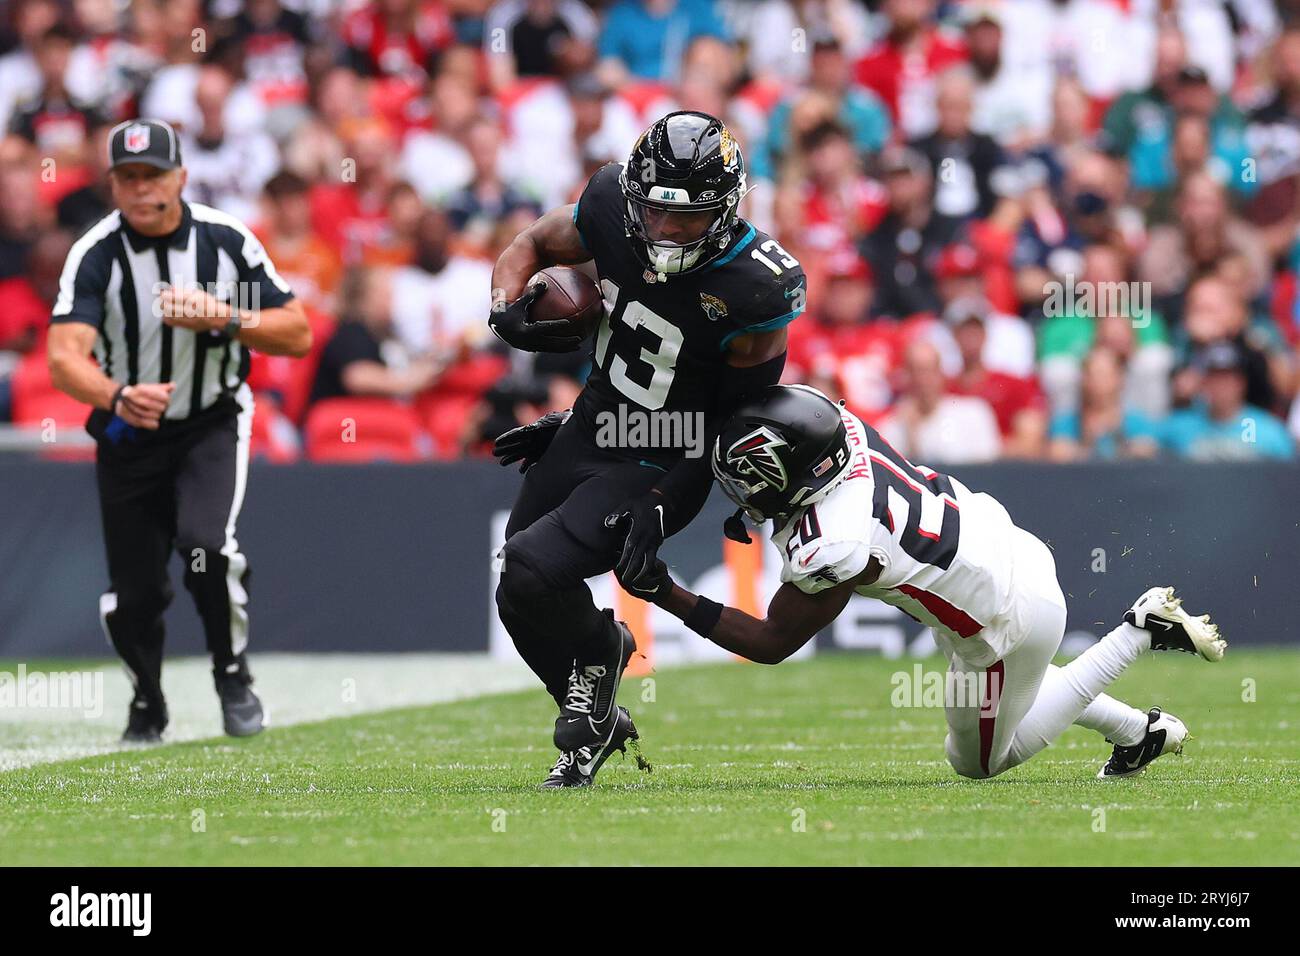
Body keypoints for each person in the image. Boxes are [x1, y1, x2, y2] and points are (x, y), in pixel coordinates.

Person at [618, 385, 1227, 781]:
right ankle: (1140, 733)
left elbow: (772, 640)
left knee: (978, 762)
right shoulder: (841, 430)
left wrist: (663, 591)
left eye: (751, 478)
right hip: (1011, 551)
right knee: (1025, 688)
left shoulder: (834, 543)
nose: (743, 493)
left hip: (1003, 624)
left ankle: (1137, 632)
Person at [488, 111, 803, 787]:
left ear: (725, 208)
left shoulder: (755, 286)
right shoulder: (609, 200)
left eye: (685, 217)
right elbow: (531, 242)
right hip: (595, 423)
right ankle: (597, 698)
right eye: (654, 210)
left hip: (667, 452)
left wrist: (664, 500)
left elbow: (731, 421)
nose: (662, 229)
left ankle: (601, 663)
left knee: (532, 566)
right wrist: (504, 308)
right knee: (517, 588)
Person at [45, 119, 311, 742]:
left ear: (182, 178)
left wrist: (224, 317)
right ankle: (148, 698)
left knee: (205, 547)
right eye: (128, 177)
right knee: (135, 591)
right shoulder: (96, 254)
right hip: (129, 432)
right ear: (112, 185)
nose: (142, 189)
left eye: (154, 175)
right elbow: (62, 356)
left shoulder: (224, 242)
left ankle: (232, 674)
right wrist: (116, 396)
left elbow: (296, 332)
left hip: (209, 423)